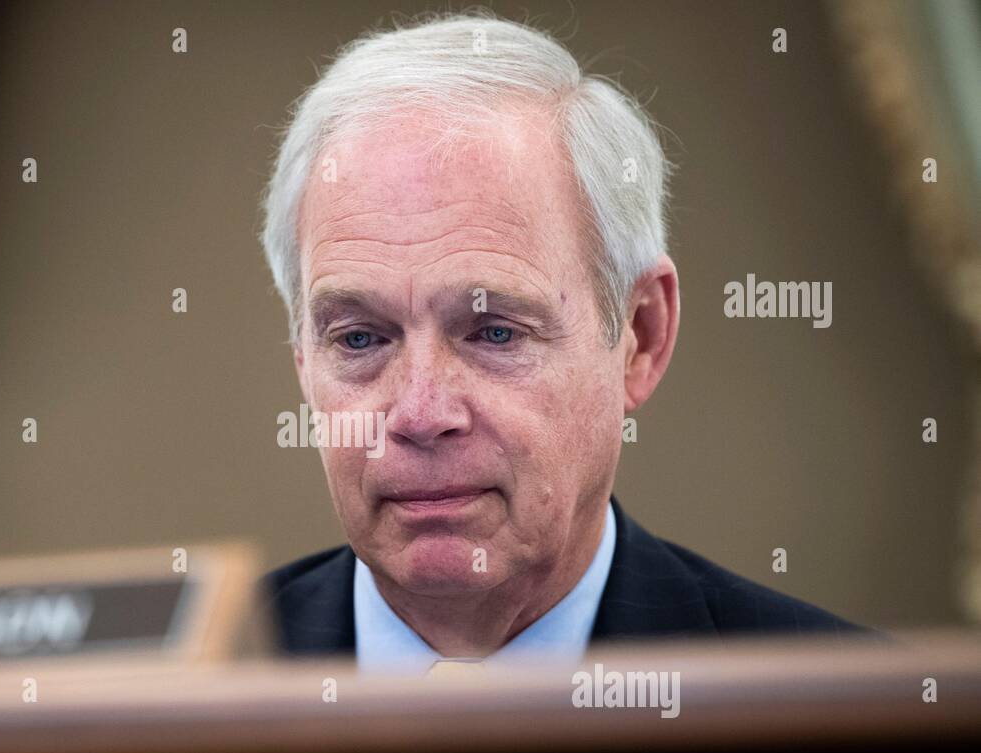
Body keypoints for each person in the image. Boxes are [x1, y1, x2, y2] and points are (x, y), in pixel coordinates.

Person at [257, 13, 861, 672]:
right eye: (359, 339)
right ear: (302, 360)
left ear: (640, 336)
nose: (421, 414)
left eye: (494, 332)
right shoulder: (192, 689)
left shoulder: (847, 710)